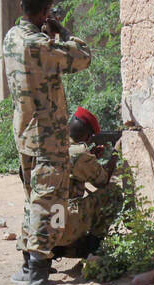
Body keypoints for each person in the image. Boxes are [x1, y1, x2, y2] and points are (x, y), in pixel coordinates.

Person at [2, 0, 91, 285]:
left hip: (24, 131)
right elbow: (82, 57)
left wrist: (44, 24)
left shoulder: (12, 37)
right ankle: (39, 280)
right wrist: (61, 28)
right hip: (47, 136)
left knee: (32, 198)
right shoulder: (38, 43)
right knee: (48, 201)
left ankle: (28, 266)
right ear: (43, 11)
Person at [50, 107, 122, 260]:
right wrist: (116, 152)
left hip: (44, 222)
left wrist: (91, 157)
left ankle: (54, 250)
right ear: (87, 136)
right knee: (112, 193)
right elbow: (103, 181)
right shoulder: (80, 154)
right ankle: (93, 249)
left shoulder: (54, 144)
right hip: (63, 223)